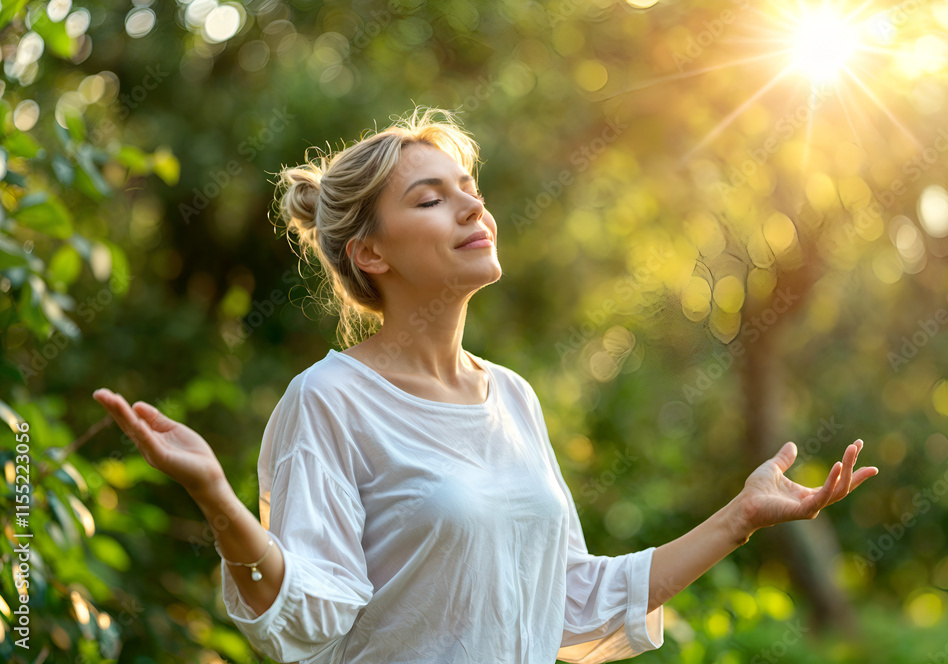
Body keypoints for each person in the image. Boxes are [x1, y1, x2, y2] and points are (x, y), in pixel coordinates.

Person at [92, 106, 878, 663]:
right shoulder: (328, 402)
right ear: (371, 254)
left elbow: (570, 603)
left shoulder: (514, 400)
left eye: (468, 187)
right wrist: (219, 503)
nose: (472, 205)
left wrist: (739, 517)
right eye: (431, 198)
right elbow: (305, 620)